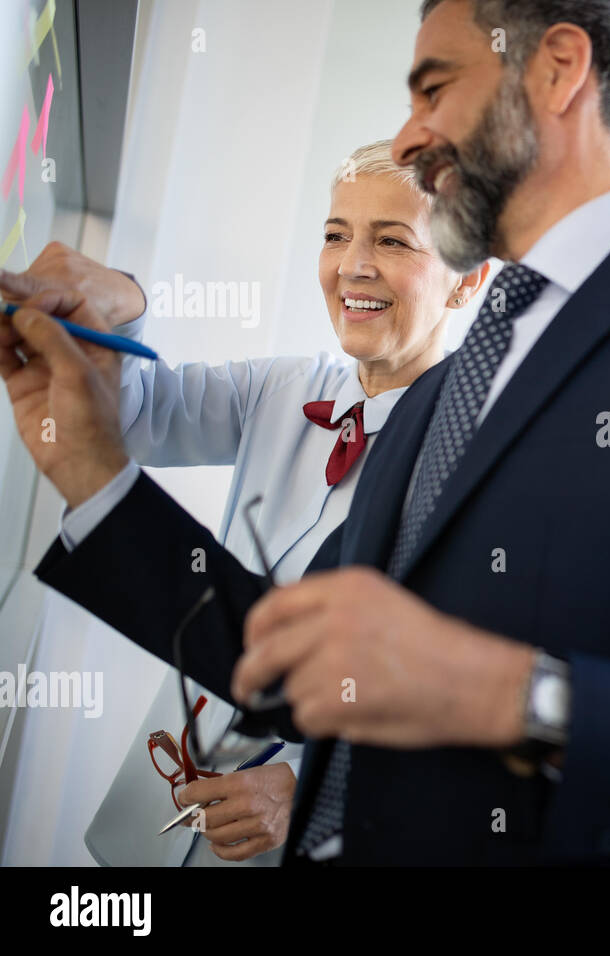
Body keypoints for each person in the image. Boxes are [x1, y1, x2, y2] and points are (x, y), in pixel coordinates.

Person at [1, 0, 610, 865]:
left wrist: (508, 695)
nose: (408, 136)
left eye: (434, 89)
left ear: (557, 69)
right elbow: (289, 660)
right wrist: (93, 475)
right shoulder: (448, 392)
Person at [0, 139, 488, 865]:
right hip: (170, 794)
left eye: (392, 240)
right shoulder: (286, 386)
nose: (352, 265)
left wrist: (304, 785)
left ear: (464, 282)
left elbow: (462, 700)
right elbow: (137, 412)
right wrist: (125, 303)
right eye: (334, 235)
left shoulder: (478, 466)